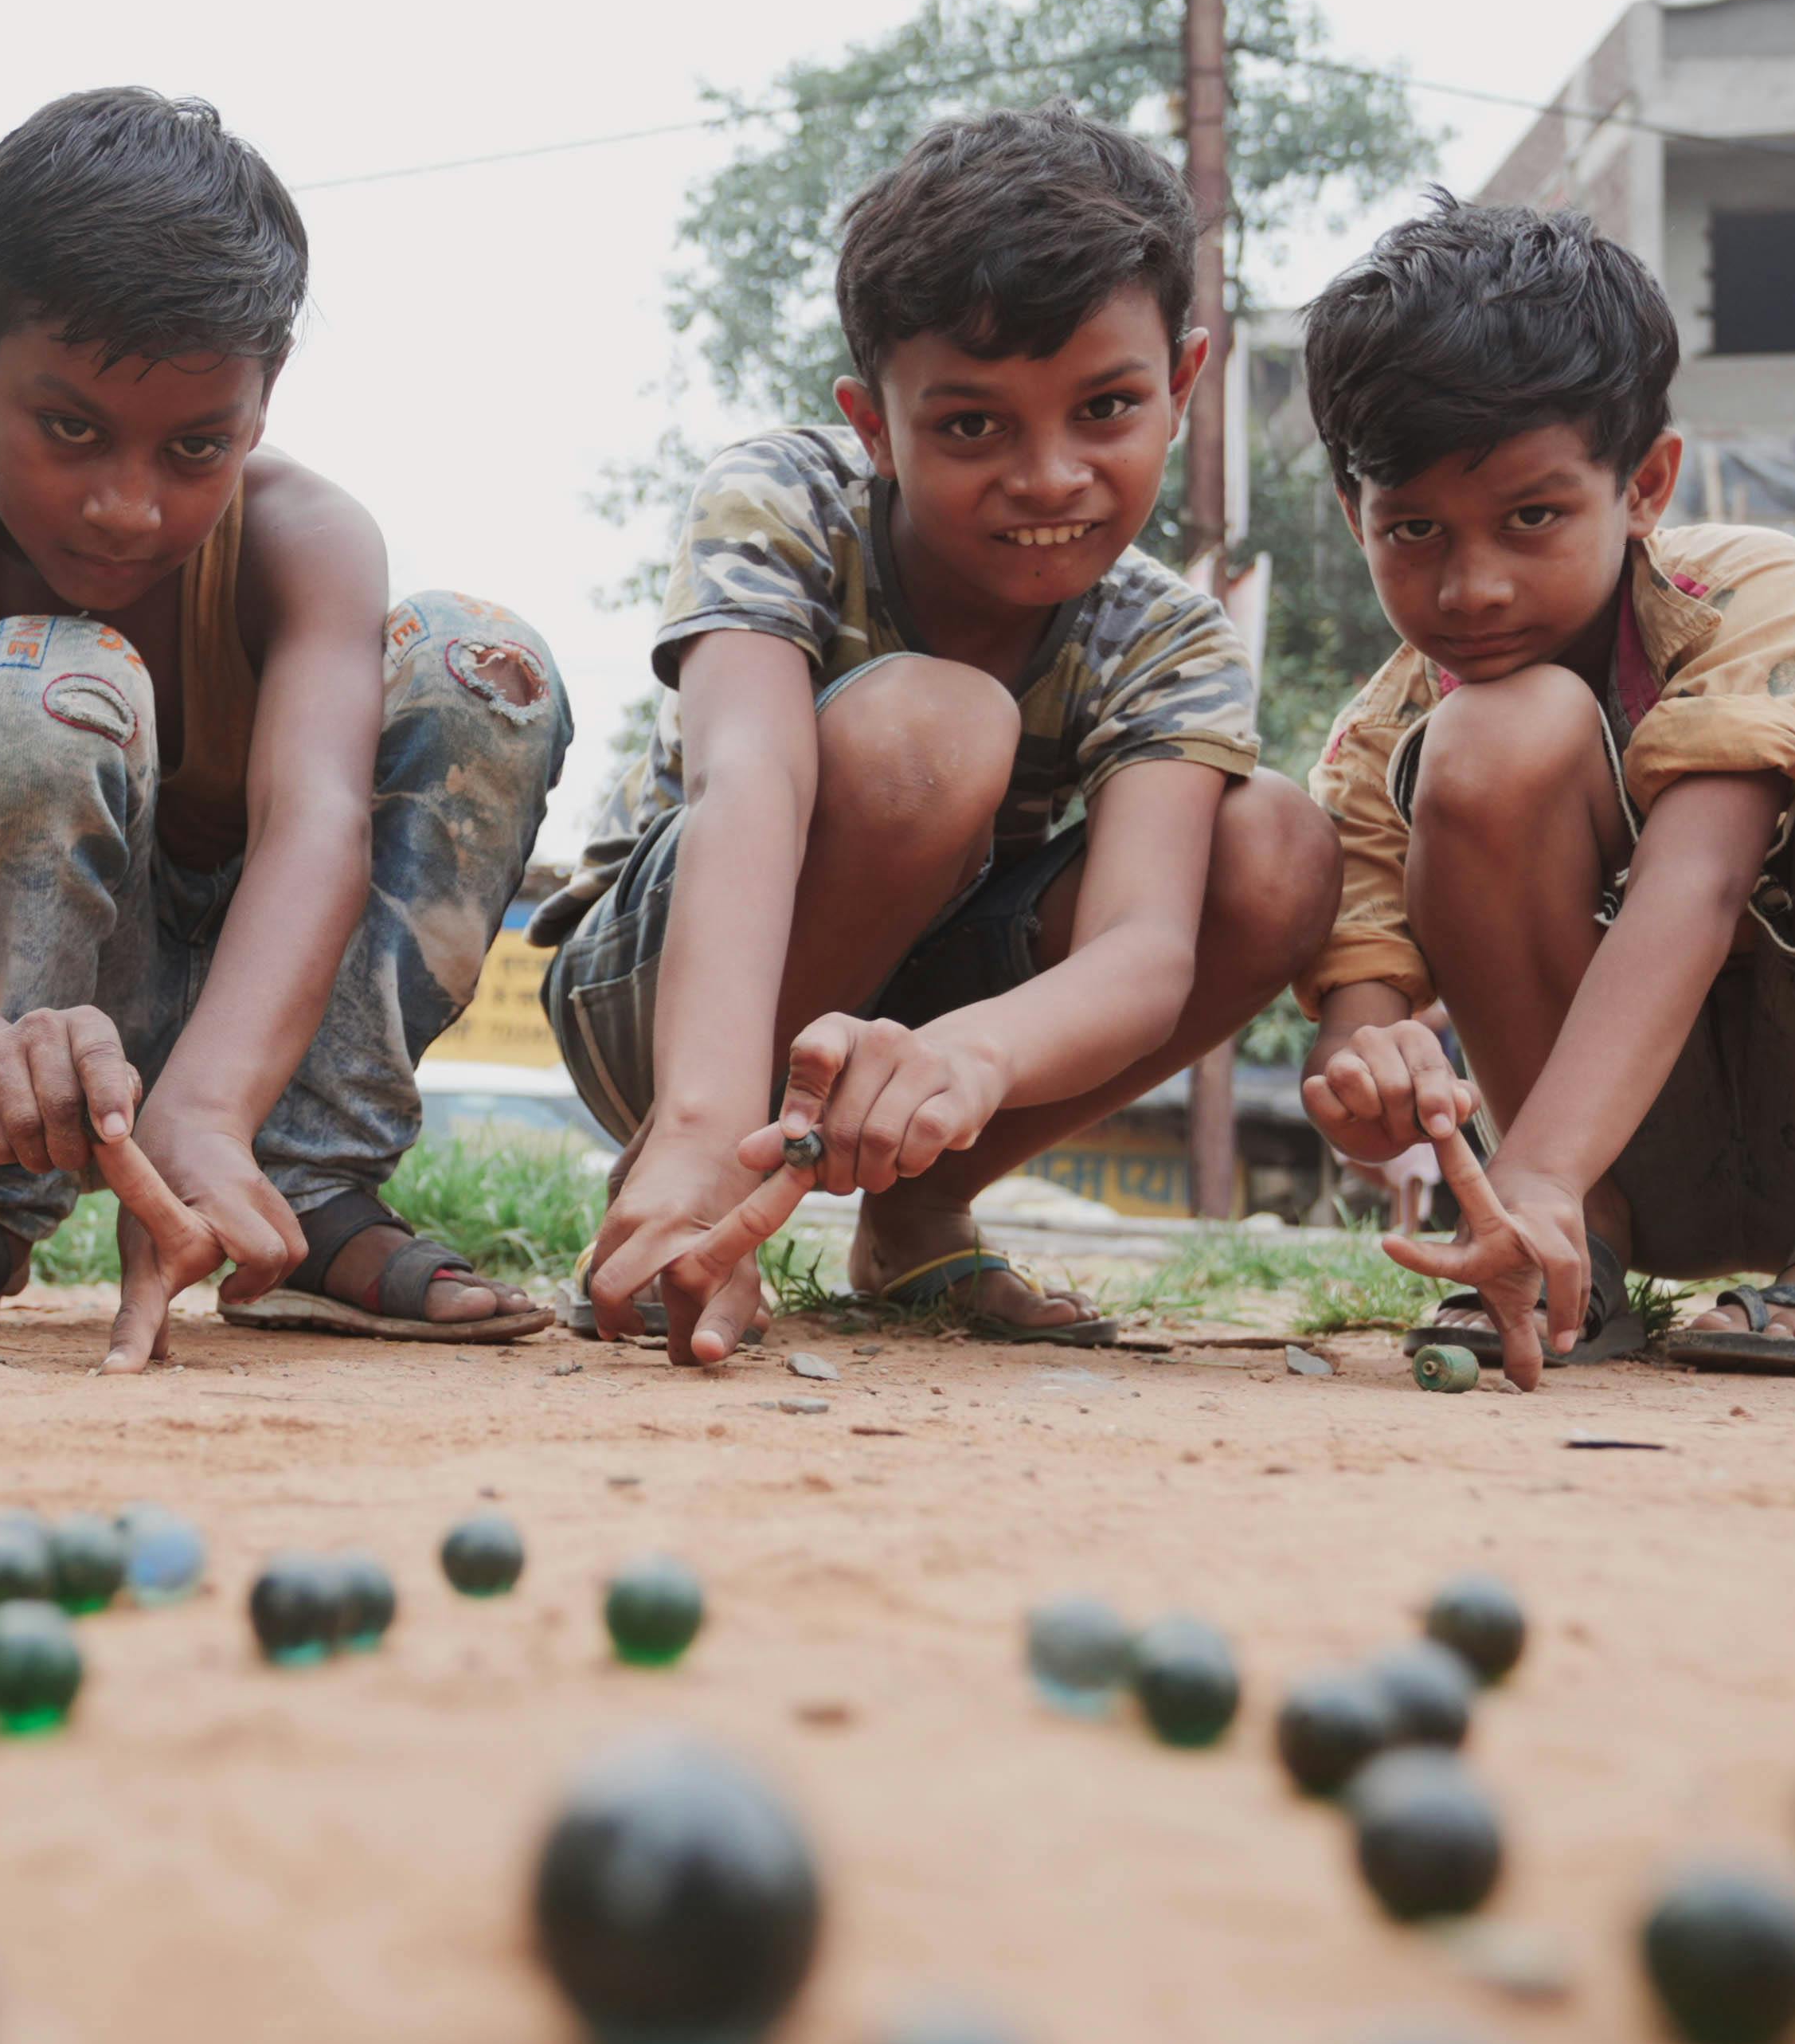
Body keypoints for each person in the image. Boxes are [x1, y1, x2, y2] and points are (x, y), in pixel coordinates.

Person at [0, 88, 573, 1370]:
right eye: (70, 427)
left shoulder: (306, 538)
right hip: (37, 1042)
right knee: (44, 679)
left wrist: (208, 1108)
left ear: (266, 398)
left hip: (275, 1021)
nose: (128, 507)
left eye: (196, 446)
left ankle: (308, 1198)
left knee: (485, 666)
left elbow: (317, 826)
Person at [543, 108, 1340, 1368]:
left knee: (1275, 843)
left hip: (914, 1016)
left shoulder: (1169, 640)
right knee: (935, 726)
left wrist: (970, 1053)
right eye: (971, 424)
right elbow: (743, 778)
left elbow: (1142, 950)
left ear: (1180, 385)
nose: (1047, 475)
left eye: (1106, 408)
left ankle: (916, 1218)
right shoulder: (785, 499)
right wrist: (698, 1119)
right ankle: (686, 1180)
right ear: (873, 424)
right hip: (670, 993)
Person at [1285, 194, 1795, 1380]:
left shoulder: (1742, 590)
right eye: (1416, 531)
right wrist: (1368, 1075)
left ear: (1644, 483)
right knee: (1492, 733)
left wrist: (1531, 1164)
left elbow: (1696, 880)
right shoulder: (1383, 736)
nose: (1473, 585)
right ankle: (1567, 1256)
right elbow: (1361, 995)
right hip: (1594, 1179)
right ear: (1354, 515)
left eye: (1532, 515)